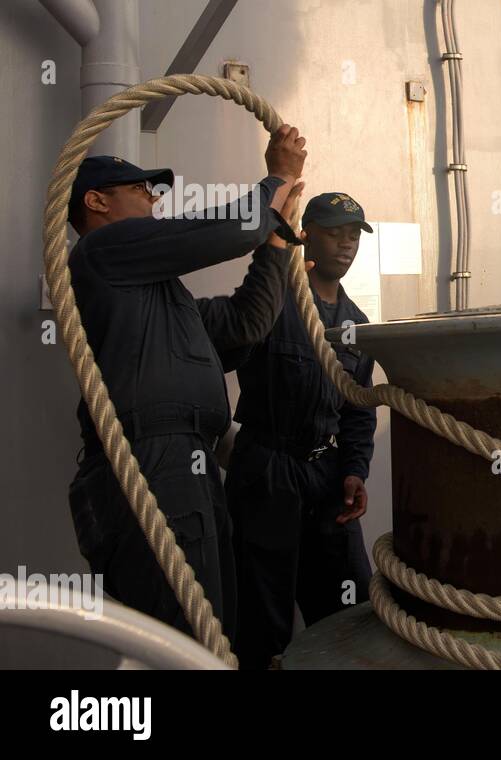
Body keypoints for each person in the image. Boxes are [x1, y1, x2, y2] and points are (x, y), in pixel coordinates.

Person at [65, 126, 309, 635]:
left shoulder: (163, 299)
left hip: (188, 467)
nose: (154, 200)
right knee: (186, 636)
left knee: (212, 630)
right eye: (140, 190)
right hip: (152, 465)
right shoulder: (99, 252)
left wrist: (275, 244)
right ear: (96, 202)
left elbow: (247, 324)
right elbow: (231, 228)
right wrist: (277, 178)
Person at [224, 192, 378, 669]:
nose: (347, 244)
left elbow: (359, 410)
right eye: (335, 233)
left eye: (354, 235)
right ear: (307, 235)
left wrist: (354, 471)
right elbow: (223, 352)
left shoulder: (357, 326)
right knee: (261, 617)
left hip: (326, 476)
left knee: (352, 613)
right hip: (268, 473)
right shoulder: (273, 304)